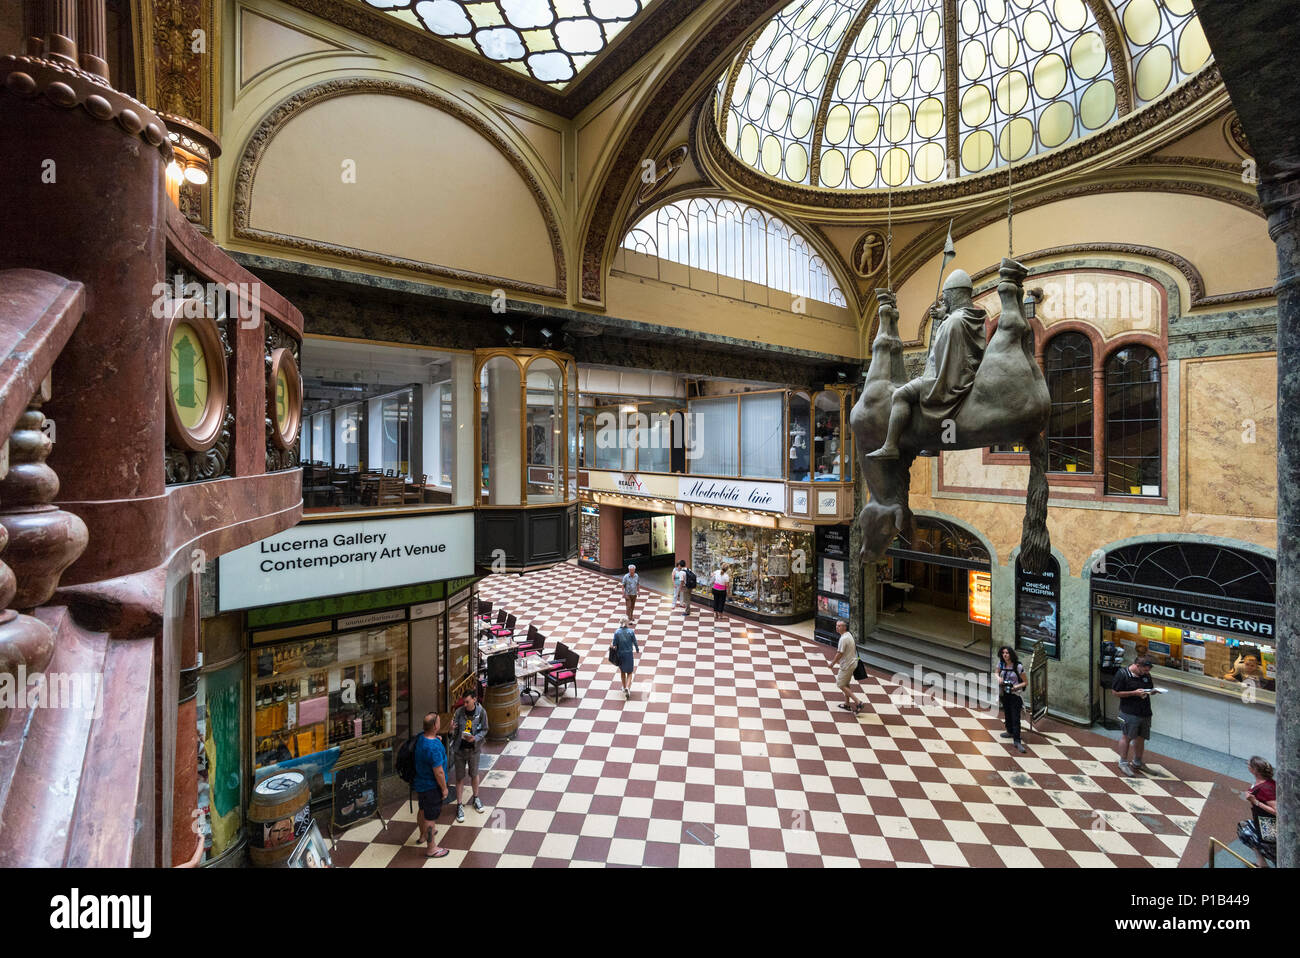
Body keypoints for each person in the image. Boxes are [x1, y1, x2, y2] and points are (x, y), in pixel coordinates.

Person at [867, 269, 989, 459]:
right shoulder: (974, 318)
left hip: (946, 380)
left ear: (954, 294)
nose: (945, 301)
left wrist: (944, 320)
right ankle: (932, 442)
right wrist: (944, 315)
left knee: (900, 395)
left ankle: (890, 445)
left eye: (947, 297)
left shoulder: (953, 322)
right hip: (966, 375)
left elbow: (939, 357)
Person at [412, 711, 450, 859]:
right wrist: (444, 788)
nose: (440, 723)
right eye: (439, 721)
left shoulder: (422, 738)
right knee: (430, 818)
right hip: (432, 787)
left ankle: (422, 836)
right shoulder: (433, 748)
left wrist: (436, 739)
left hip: (421, 784)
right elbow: (439, 772)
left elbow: (429, 741)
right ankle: (431, 848)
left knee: (422, 810)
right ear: (435, 726)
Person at [1112, 655, 1155, 775]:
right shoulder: (1122, 674)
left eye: (1148, 670)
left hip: (1145, 711)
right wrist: (1134, 693)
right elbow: (1115, 693)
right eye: (1145, 670)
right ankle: (1123, 762)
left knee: (1141, 737)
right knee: (1127, 736)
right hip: (1129, 712)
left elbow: (1149, 688)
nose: (1147, 673)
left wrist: (1152, 692)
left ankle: (1137, 762)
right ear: (1137, 666)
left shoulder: (1146, 675)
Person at [450, 690, 489, 823]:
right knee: (459, 777)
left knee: (474, 774)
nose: (465, 704)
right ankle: (459, 805)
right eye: (464, 702)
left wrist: (476, 738)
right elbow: (453, 733)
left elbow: (485, 729)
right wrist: (452, 729)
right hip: (459, 751)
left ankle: (476, 798)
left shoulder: (481, 712)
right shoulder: (459, 712)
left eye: (467, 701)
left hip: (474, 751)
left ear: (474, 699)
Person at [1238, 756, 1278, 867]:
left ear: (1255, 770)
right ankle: (1261, 863)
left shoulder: (1266, 788)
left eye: (1249, 765)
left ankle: (1264, 863)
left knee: (1246, 832)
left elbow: (1277, 811)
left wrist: (1255, 802)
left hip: (1270, 829)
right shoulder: (1266, 782)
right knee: (1244, 828)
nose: (1247, 766)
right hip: (1262, 822)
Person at [995, 645, 1027, 753]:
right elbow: (996, 672)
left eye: (1007, 653)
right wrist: (999, 678)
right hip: (1004, 693)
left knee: (1015, 717)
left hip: (1015, 695)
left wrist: (1015, 687)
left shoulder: (1018, 666)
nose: (1005, 655)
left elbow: (1025, 682)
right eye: (1003, 653)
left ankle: (1017, 740)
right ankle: (1009, 731)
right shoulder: (1001, 663)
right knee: (1007, 713)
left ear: (1011, 654)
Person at [828, 619, 862, 713]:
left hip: (847, 665)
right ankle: (847, 704)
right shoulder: (848, 635)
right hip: (851, 663)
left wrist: (832, 663)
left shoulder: (843, 639)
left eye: (839, 626)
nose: (837, 627)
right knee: (845, 683)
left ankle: (858, 702)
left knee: (840, 684)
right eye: (836, 625)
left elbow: (839, 653)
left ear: (844, 627)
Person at [611, 617, 639, 698]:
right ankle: (628, 687)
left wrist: (612, 646)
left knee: (622, 671)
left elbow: (614, 645)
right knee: (630, 672)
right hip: (629, 654)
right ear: (627, 623)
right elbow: (635, 641)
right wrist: (637, 649)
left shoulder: (617, 632)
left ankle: (623, 687)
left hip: (620, 654)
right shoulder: (631, 632)